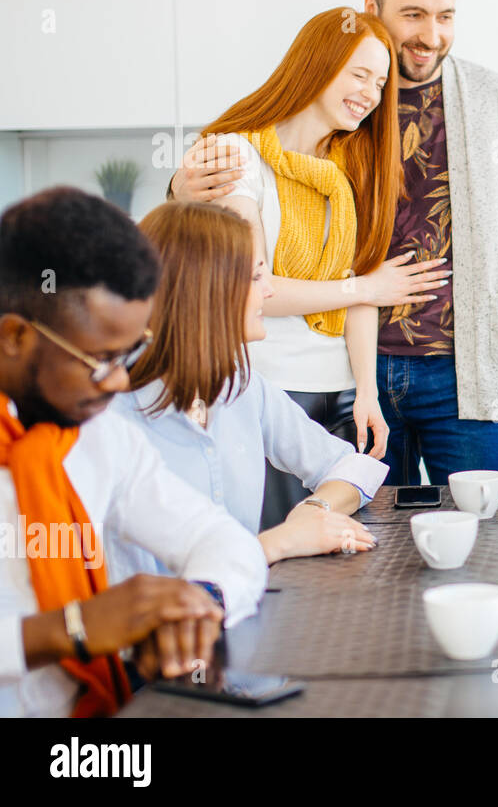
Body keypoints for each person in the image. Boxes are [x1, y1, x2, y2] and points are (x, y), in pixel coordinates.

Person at [170, 0, 498, 487]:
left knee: (484, 533)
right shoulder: (340, 100)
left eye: (446, 16)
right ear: (371, 8)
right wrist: (182, 186)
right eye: (413, 15)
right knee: (369, 541)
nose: (431, 36)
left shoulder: (492, 98)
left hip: (463, 373)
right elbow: (255, 157)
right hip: (352, 368)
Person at [0, 188, 267, 717]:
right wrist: (70, 629)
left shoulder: (98, 438)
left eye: (128, 353)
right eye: (100, 359)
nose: (120, 379)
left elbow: (219, 538)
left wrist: (198, 604)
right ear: (14, 338)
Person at [178, 7, 443, 529]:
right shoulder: (239, 156)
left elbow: (361, 290)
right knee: (275, 554)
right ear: (318, 65)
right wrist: (367, 286)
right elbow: (253, 290)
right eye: (359, 75)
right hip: (269, 390)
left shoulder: (352, 170)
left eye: (380, 82)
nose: (370, 93)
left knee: (344, 549)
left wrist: (367, 390)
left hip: (343, 396)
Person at [107, 202, 389, 578]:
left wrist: (314, 510)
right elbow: (161, 583)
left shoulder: (240, 385)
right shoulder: (114, 415)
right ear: (208, 290)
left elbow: (353, 468)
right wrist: (281, 541)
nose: (270, 290)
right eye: (257, 277)